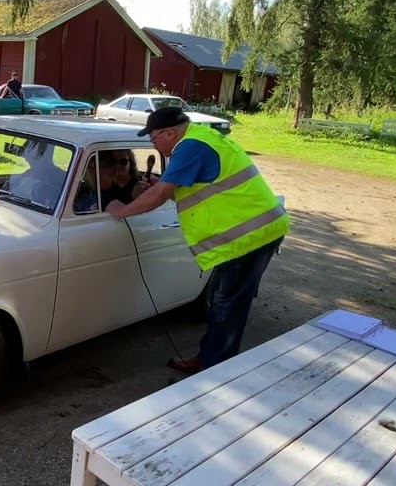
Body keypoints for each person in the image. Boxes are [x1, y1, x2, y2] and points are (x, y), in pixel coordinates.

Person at [108, 107, 289, 374]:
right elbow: (201, 188)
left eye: (153, 137)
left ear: (170, 133)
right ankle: (209, 357)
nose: (152, 143)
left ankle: (214, 371)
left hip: (249, 237)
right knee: (221, 300)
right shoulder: (200, 138)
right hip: (253, 232)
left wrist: (120, 210)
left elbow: (158, 196)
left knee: (227, 307)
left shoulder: (191, 146)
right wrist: (164, 184)